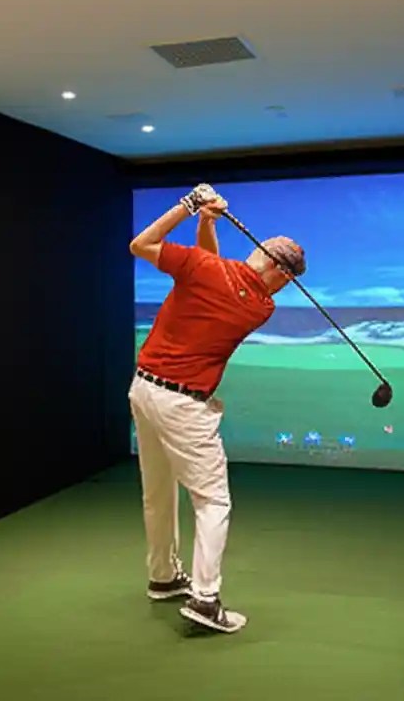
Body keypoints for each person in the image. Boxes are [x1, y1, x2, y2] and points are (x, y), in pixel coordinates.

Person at [128, 183, 306, 634]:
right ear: (281, 275)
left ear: (262, 256)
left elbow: (142, 244)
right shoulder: (261, 306)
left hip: (143, 392)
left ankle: (164, 576)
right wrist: (205, 221)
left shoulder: (205, 269)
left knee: (159, 492)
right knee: (212, 501)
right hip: (183, 406)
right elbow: (217, 269)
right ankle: (205, 600)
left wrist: (189, 208)